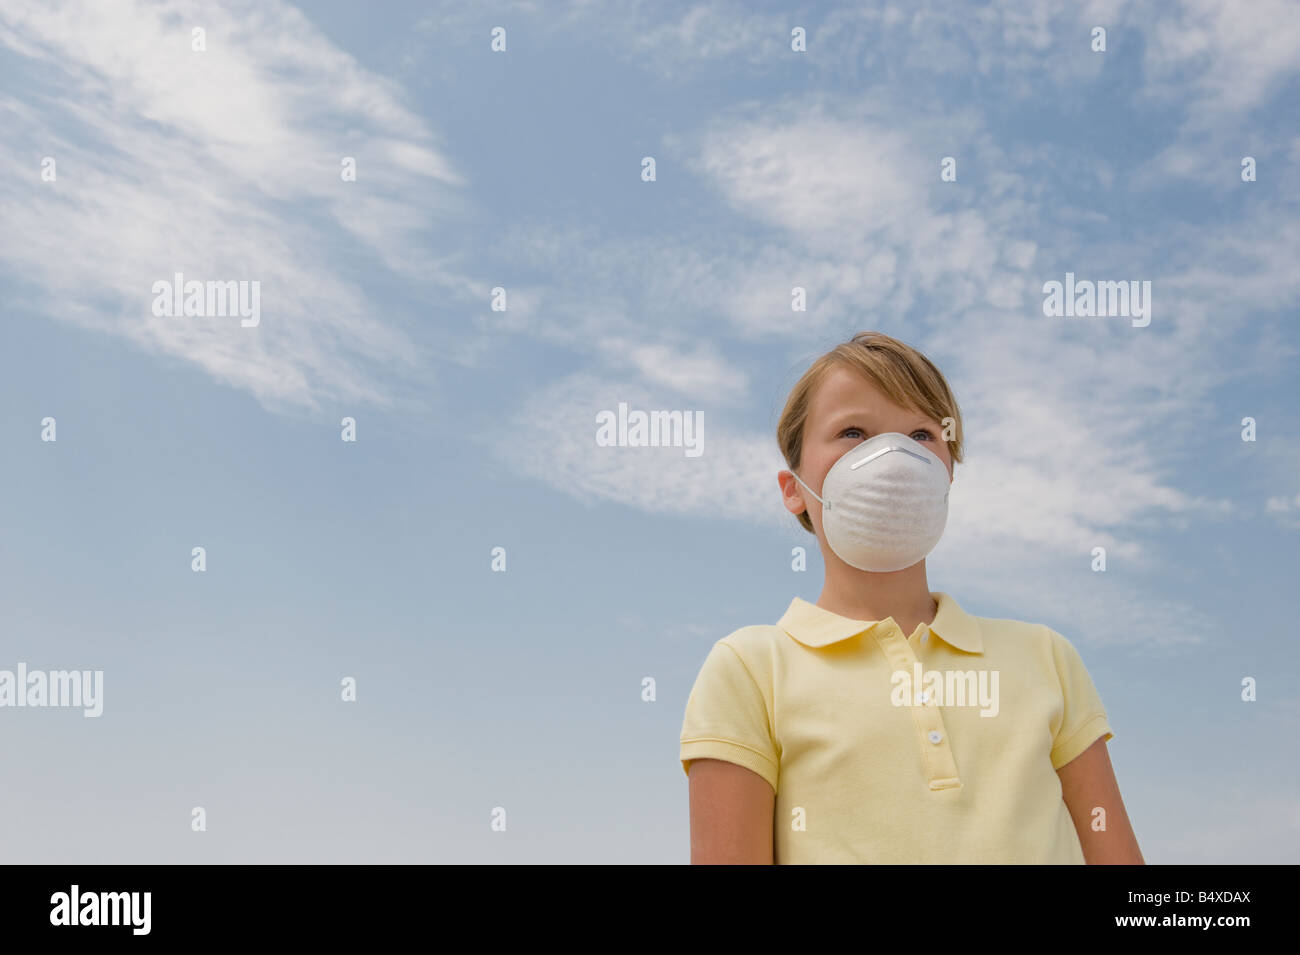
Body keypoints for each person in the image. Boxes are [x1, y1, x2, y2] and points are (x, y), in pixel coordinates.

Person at [679, 331, 1143, 864]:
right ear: (793, 488)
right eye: (853, 432)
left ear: (948, 473)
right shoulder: (750, 670)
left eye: (922, 434)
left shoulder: (1047, 657)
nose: (893, 457)